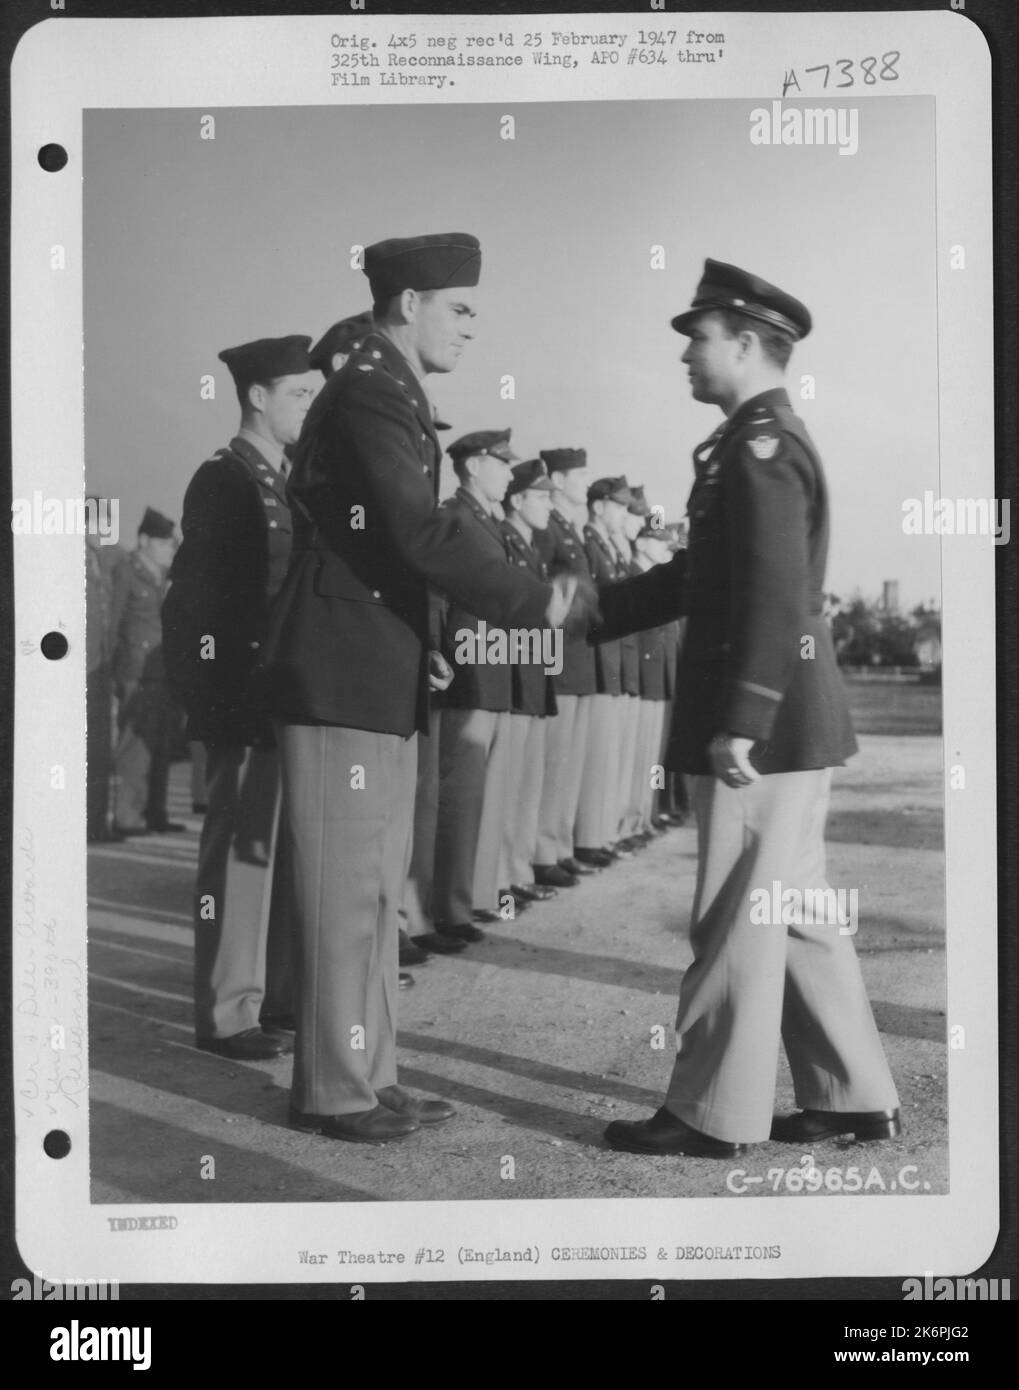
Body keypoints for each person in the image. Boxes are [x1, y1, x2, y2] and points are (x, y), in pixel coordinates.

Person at [259, 233, 585, 1144]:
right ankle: (330, 1088)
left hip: (372, 657)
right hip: (338, 665)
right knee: (342, 891)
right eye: (460, 306)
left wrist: (426, 639)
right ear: (407, 303)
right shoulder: (369, 388)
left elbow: (388, 543)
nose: (471, 327)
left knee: (368, 890)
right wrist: (532, 598)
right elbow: (413, 530)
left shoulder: (381, 383)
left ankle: (371, 1071)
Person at [598, 259, 900, 1157]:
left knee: (736, 911)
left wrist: (743, 716)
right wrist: (580, 608)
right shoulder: (749, 442)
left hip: (761, 727)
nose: (686, 355)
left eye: (696, 338)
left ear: (741, 341)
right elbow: (699, 578)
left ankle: (708, 1114)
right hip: (786, 722)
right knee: (793, 907)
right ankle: (851, 1097)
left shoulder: (759, 448)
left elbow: (773, 592)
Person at [162, 334, 318, 1060]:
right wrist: (212, 701)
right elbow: (195, 604)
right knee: (239, 857)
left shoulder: (285, 479)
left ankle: (277, 997)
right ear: (257, 396)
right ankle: (228, 1011)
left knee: (282, 852)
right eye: (299, 394)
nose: (308, 407)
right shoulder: (224, 479)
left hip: (281, 696)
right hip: (240, 697)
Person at [428, 428, 525, 947]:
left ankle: (457, 902)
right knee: (457, 797)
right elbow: (439, 595)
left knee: (474, 797)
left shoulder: (484, 522)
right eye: (501, 464)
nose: (510, 473)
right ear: (471, 466)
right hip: (467, 672)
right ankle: (442, 909)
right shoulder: (455, 518)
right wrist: (440, 651)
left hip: (490, 668)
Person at [532, 448, 599, 886]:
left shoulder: (567, 529)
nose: (583, 485)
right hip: (557, 657)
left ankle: (556, 845)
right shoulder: (548, 529)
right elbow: (539, 589)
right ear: (556, 479)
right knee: (552, 765)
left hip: (577, 658)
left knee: (567, 764)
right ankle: (540, 852)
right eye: (577, 477)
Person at [497, 458, 559, 904]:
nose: (548, 507)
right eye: (541, 497)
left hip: (531, 674)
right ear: (517, 500)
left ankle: (515, 874)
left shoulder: (530, 548)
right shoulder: (503, 540)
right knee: (503, 787)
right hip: (508, 672)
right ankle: (497, 881)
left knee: (524, 786)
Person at [110, 507, 182, 836]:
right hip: (136, 675)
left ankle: (155, 813)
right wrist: (115, 675)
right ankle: (127, 816)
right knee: (135, 750)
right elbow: (113, 623)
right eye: (164, 543)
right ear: (143, 540)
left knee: (160, 748)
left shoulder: (162, 578)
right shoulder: (128, 571)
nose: (170, 549)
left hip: (163, 673)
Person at [86, 500, 126, 842]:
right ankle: (88, 823)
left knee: (100, 749)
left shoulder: (102, 560)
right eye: (99, 524)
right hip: (82, 670)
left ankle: (96, 824)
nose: (105, 532)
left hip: (100, 668)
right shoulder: (74, 559)